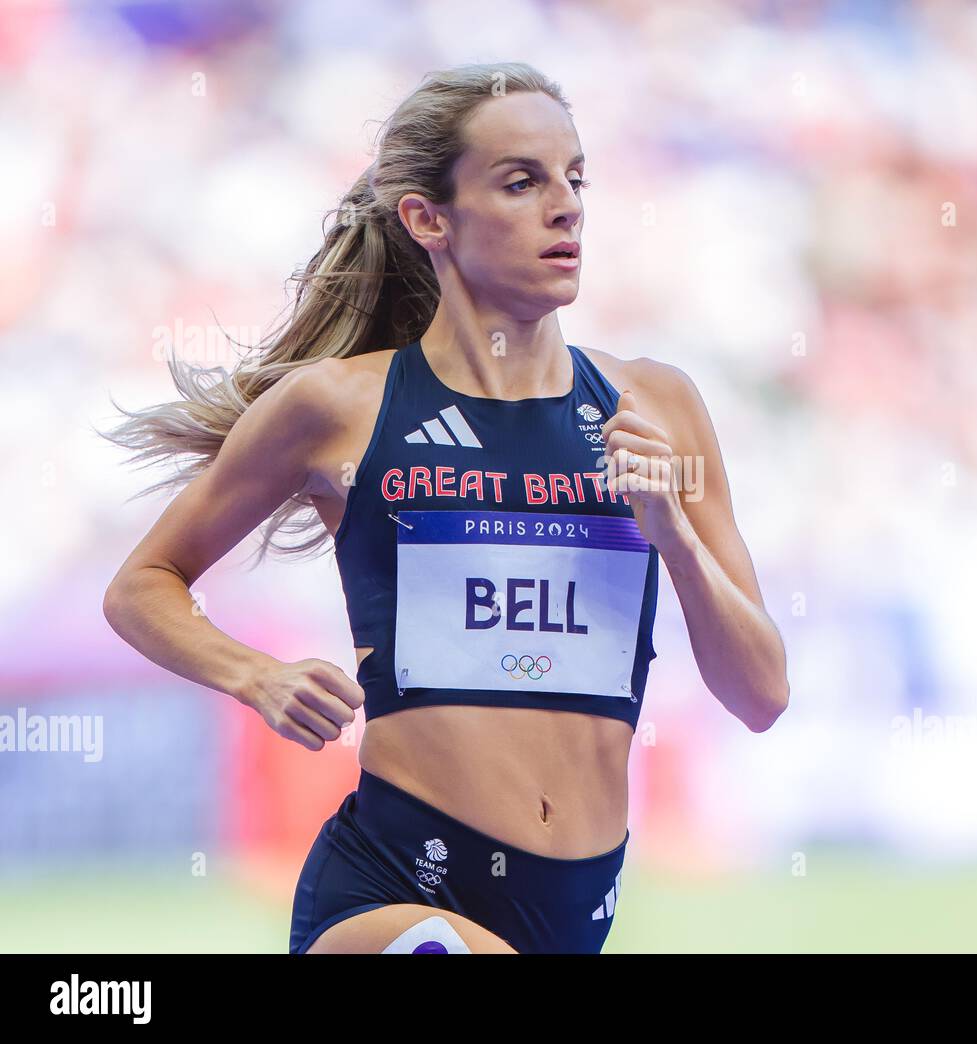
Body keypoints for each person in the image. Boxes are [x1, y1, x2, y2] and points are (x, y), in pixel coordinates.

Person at [101, 62, 790, 954]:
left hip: (577, 908)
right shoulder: (339, 407)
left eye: (575, 178)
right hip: (394, 883)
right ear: (429, 219)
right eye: (521, 181)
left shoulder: (656, 406)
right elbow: (142, 585)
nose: (566, 206)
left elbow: (763, 694)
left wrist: (676, 542)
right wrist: (255, 675)